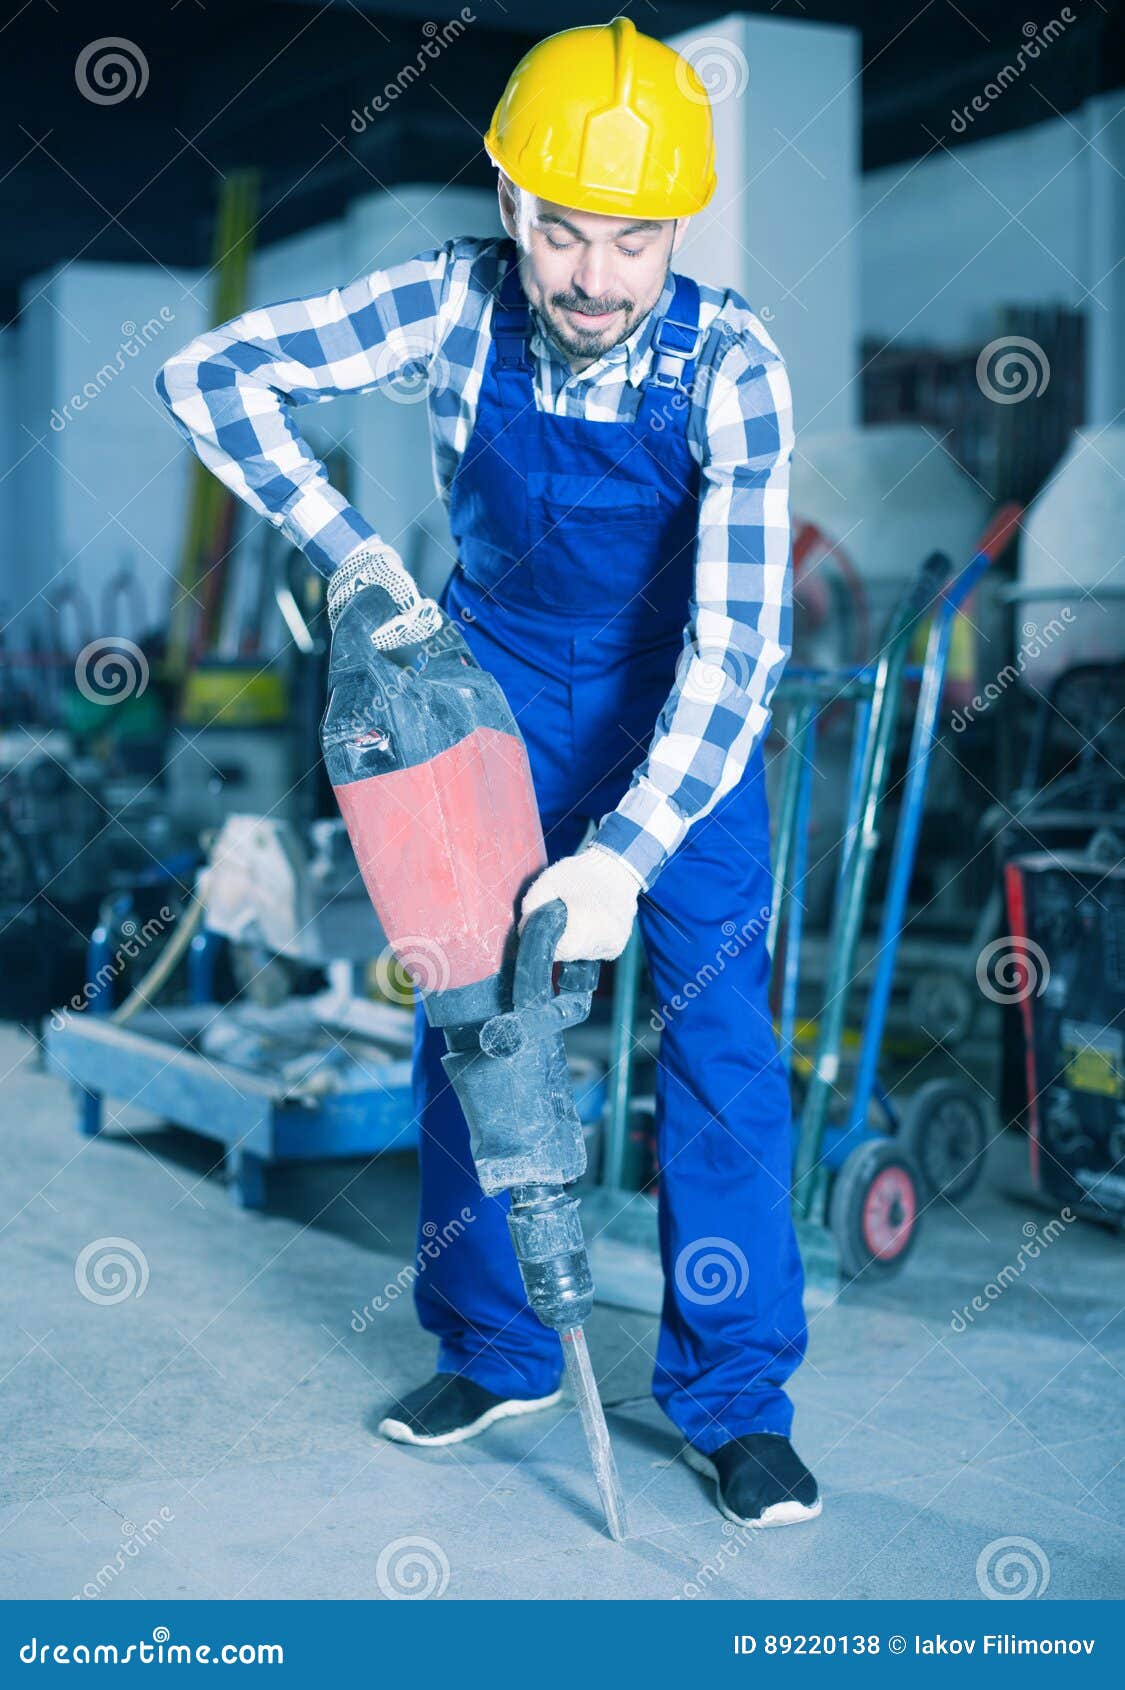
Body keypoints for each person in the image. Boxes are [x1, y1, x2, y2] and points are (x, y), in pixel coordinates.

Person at [157, 16, 819, 1529]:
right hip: (488, 698)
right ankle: (497, 1348)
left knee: (718, 1045)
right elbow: (210, 375)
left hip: (679, 718)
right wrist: (353, 556)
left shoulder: (733, 367)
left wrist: (624, 855)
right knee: (471, 1022)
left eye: (634, 241)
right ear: (509, 199)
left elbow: (734, 651)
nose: (594, 277)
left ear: (678, 231)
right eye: (563, 231)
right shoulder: (453, 302)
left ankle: (733, 1401)